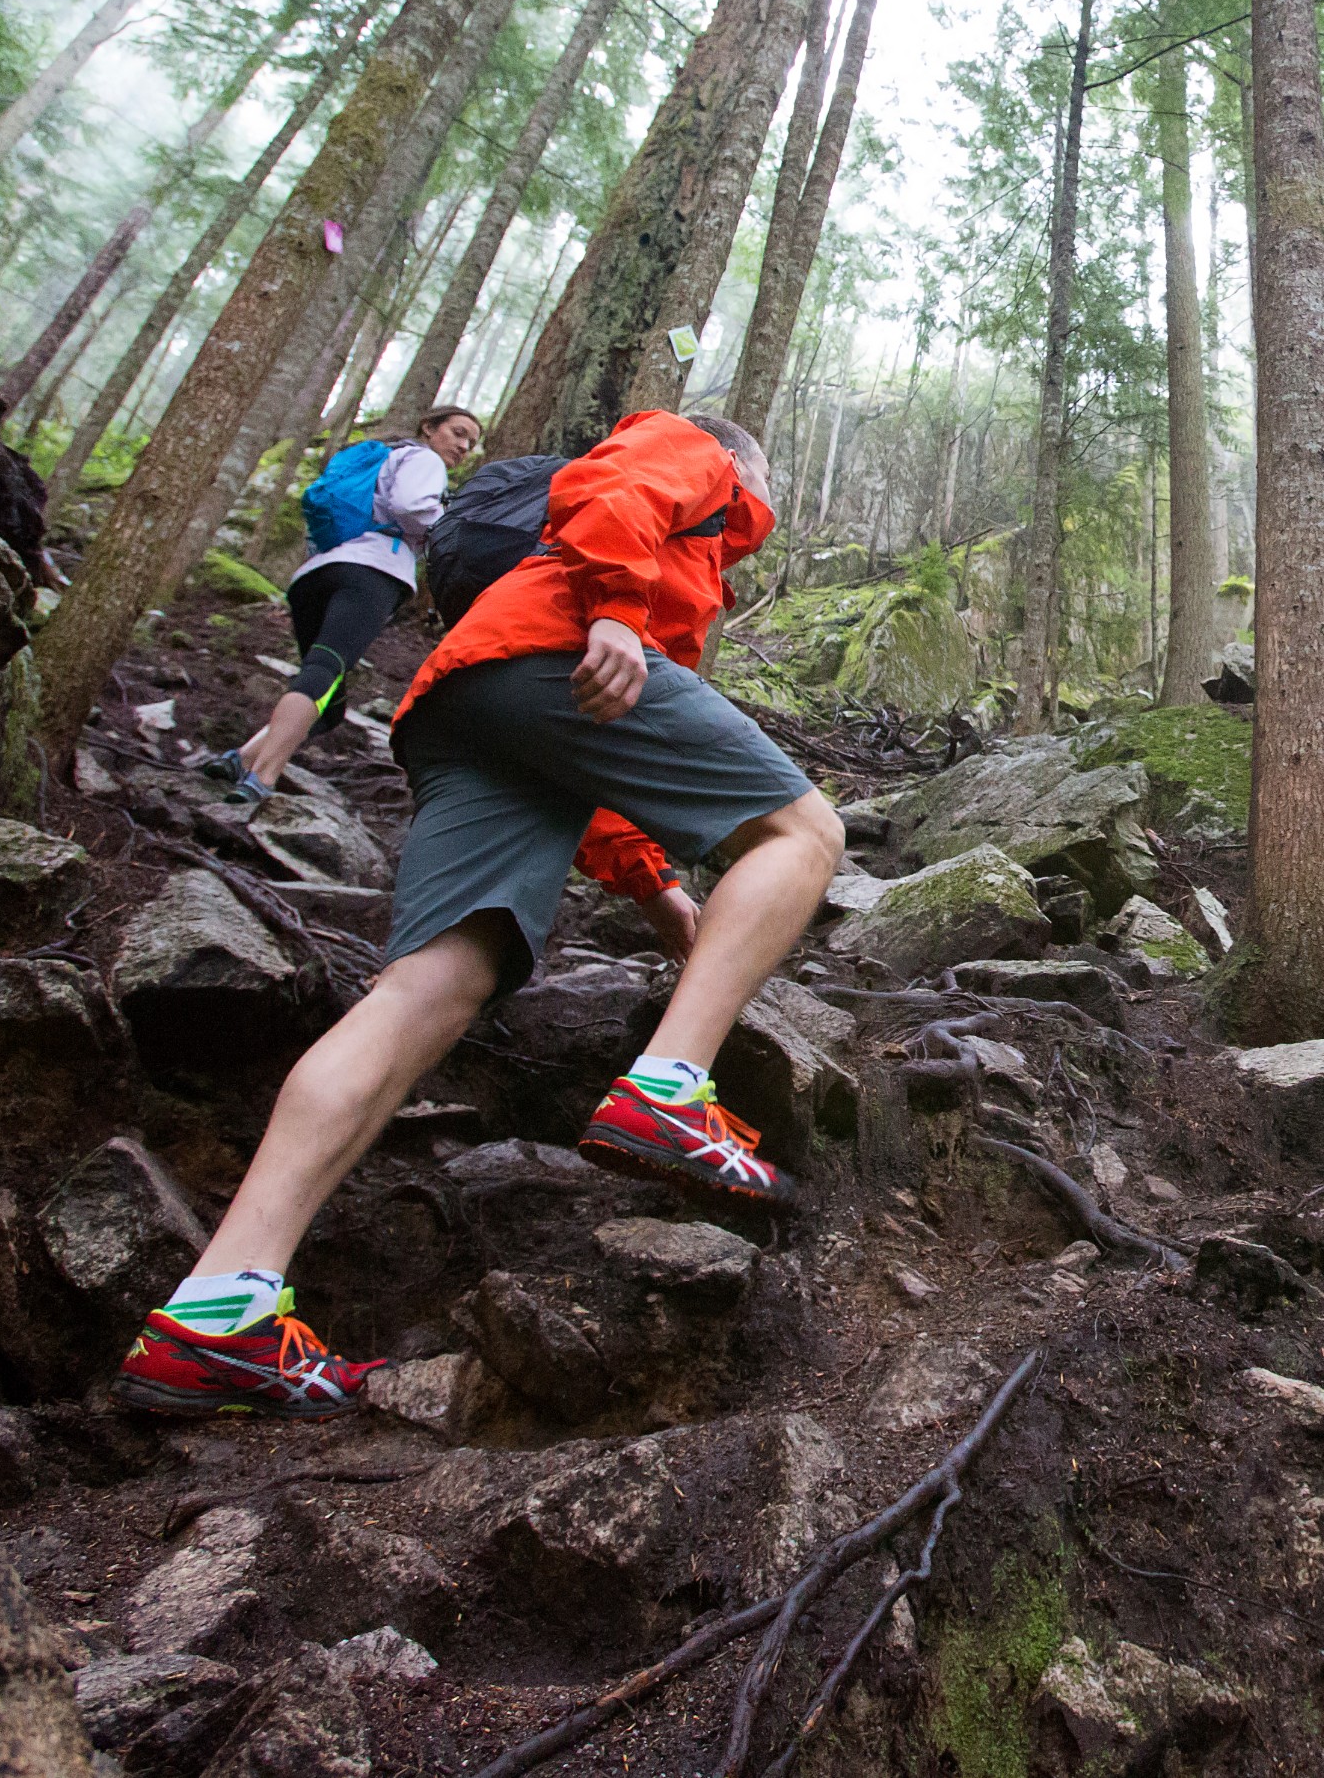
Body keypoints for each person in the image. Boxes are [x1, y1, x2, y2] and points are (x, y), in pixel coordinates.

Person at [114, 410, 846, 1417]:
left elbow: (601, 744)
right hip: (550, 648)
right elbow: (613, 499)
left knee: (427, 986)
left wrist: (658, 888)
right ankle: (669, 1087)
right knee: (805, 834)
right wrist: (616, 617)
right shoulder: (698, 450)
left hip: (470, 701)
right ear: (750, 466)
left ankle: (216, 1309)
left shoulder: (664, 571)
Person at [202, 405, 484, 805]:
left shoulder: (381, 460)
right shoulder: (423, 459)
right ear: (428, 428)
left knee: (327, 697)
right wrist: (450, 527)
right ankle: (262, 777)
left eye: (471, 442)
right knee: (324, 670)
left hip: (317, 575)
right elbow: (409, 506)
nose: (463, 446)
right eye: (457, 433)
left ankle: (239, 759)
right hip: (372, 573)